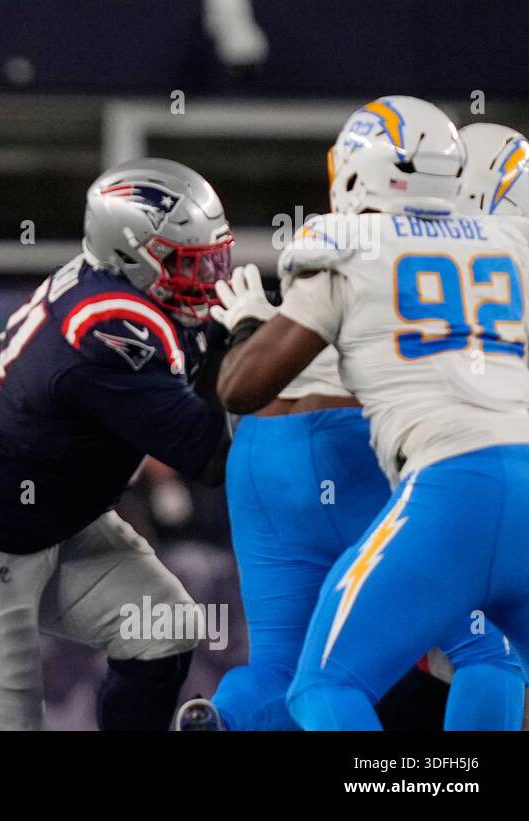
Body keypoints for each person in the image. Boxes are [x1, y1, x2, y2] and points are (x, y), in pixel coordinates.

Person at [176, 105, 527, 733]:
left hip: (264, 448)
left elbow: (245, 385)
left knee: (286, 671)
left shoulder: (348, 242)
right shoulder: (508, 247)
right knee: (486, 652)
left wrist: (250, 329)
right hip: (384, 455)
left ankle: (224, 722)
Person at [0, 158, 232, 730]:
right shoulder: (108, 328)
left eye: (212, 260)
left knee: (161, 627)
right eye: (187, 264)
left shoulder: (120, 292)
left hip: (43, 518)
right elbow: (209, 453)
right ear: (132, 255)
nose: (207, 280)